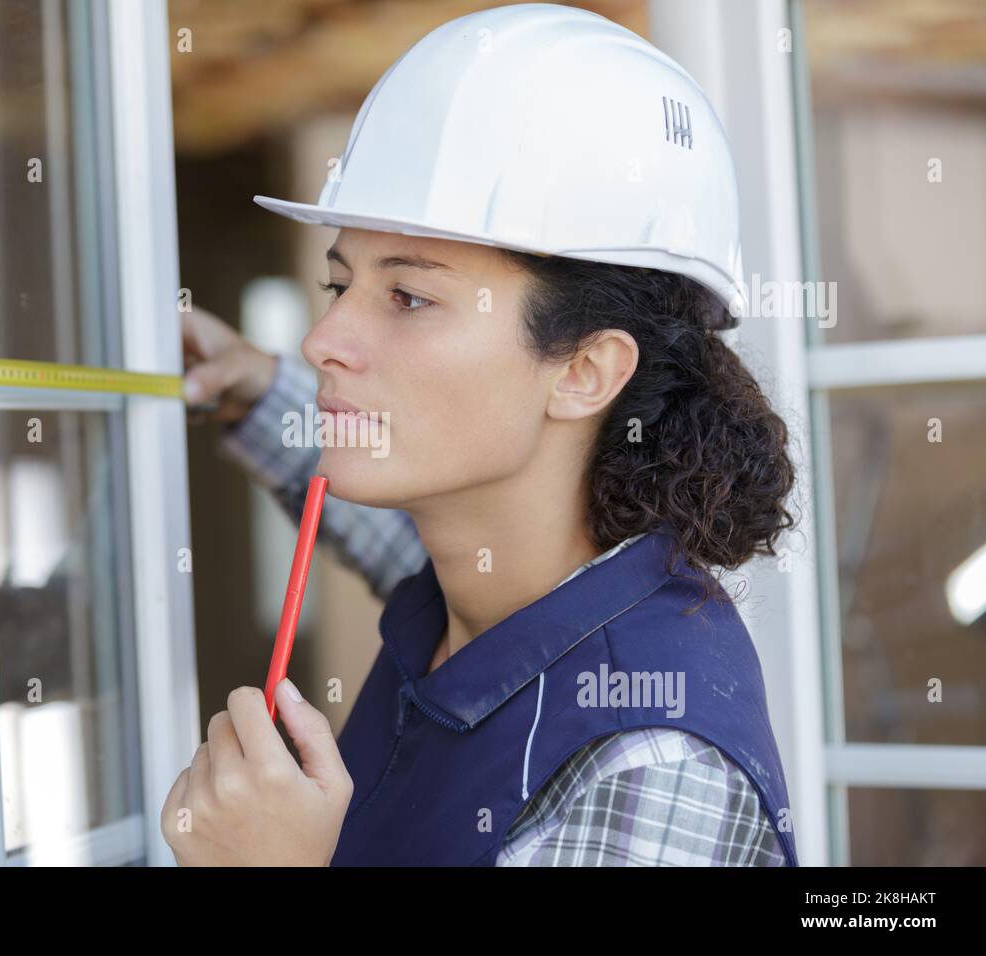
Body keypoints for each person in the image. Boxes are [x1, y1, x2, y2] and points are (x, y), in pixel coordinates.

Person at [160, 3, 800, 866]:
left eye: (410, 297)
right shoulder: (486, 594)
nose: (320, 341)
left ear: (583, 372)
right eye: (340, 283)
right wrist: (252, 391)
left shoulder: (651, 766)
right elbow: (401, 550)